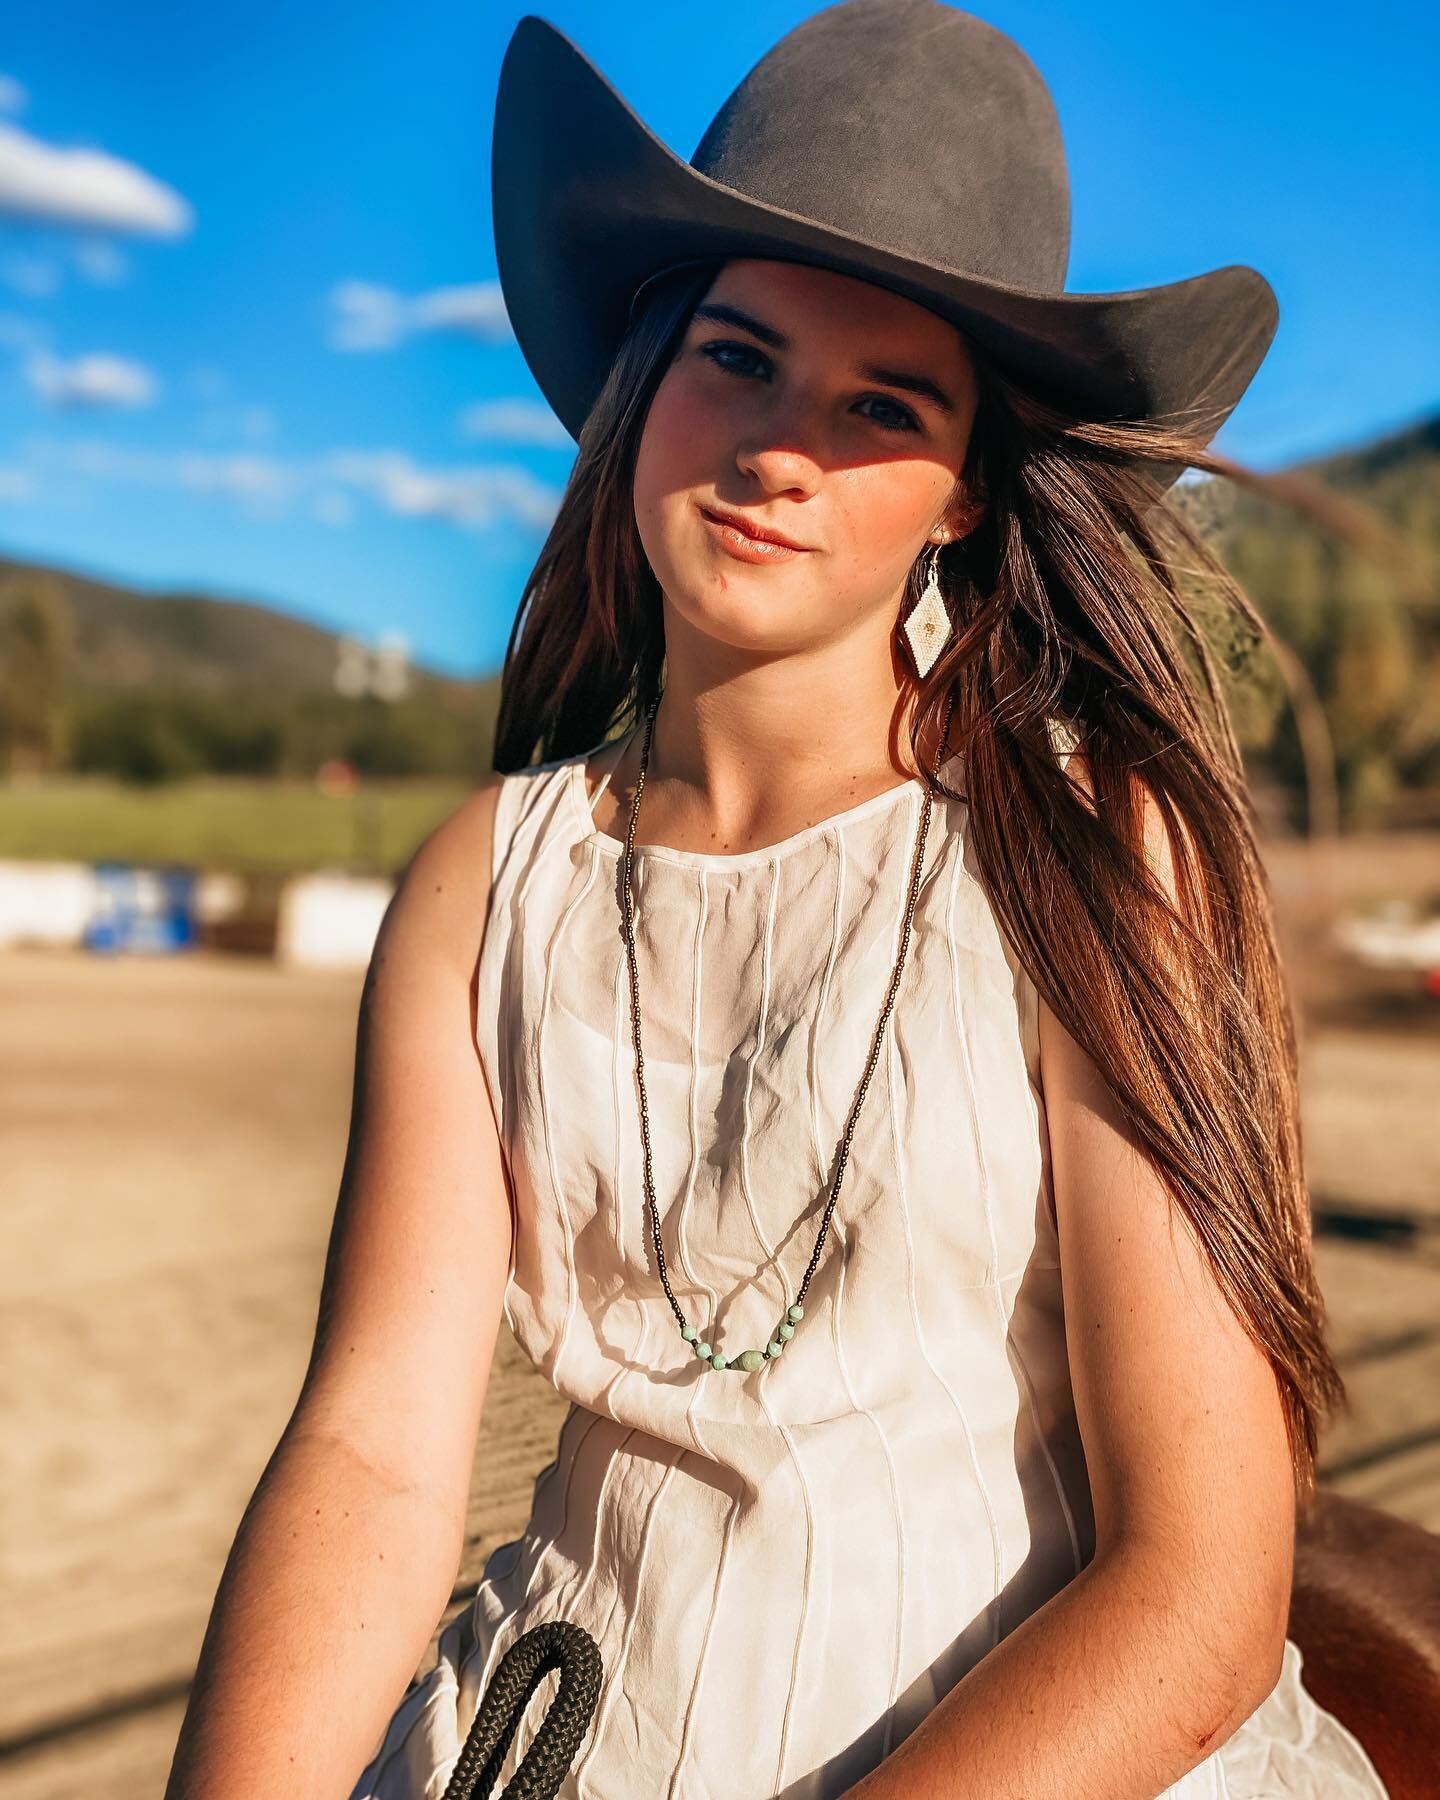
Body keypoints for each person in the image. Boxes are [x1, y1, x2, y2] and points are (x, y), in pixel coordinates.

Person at [165, 5, 1393, 1797]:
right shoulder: (480, 892)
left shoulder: (1093, 854)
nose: (779, 447)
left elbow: (1200, 1585)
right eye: (737, 357)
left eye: (880, 403)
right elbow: (370, 1453)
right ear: (643, 377)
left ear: (965, 488)